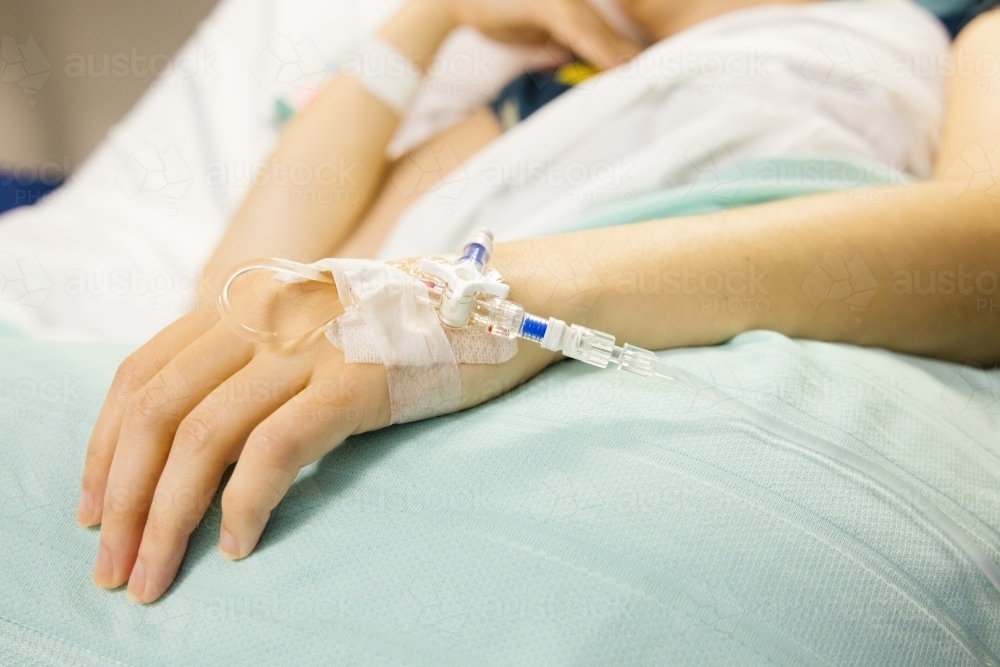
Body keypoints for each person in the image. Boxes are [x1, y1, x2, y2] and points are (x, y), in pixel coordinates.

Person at [76, 0, 999, 605]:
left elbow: (982, 249)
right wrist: (428, 21)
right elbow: (240, 304)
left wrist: (488, 302)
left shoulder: (942, 30)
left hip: (676, 420)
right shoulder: (548, 91)